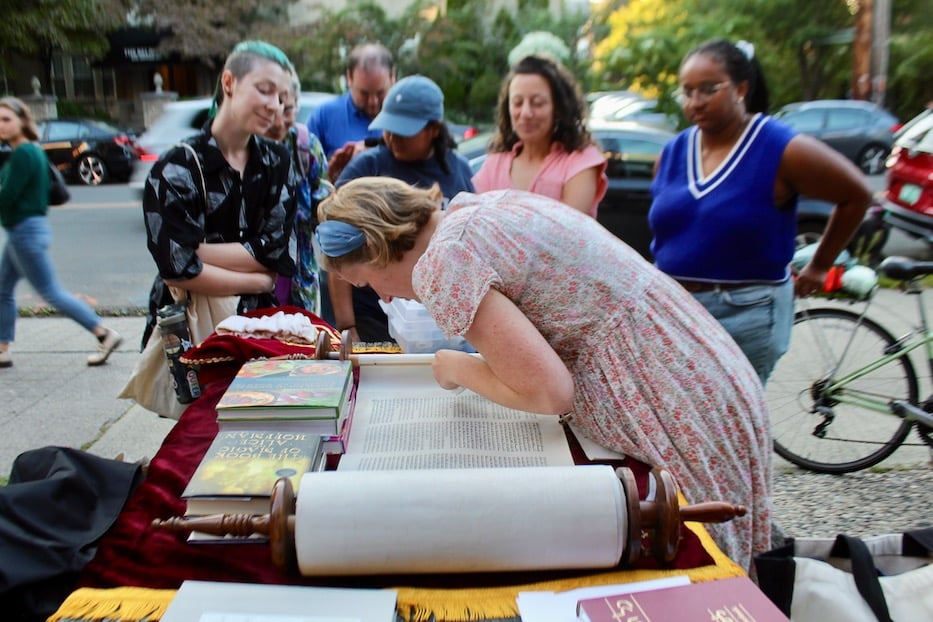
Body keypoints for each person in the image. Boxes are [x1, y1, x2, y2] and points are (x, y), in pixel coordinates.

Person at [315, 177, 772, 572]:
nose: (384, 299)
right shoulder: (471, 210)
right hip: (689, 358)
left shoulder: (443, 262)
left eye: (366, 283)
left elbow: (549, 392)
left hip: (669, 389)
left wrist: (461, 368)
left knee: (710, 561)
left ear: (376, 251)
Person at [649, 39, 872, 385]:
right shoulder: (673, 152)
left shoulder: (778, 147)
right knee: (677, 425)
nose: (695, 102)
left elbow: (856, 195)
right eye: (687, 91)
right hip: (676, 312)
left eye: (708, 89)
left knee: (728, 427)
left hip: (745, 312)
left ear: (741, 88)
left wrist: (820, 265)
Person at [140, 40, 296, 347]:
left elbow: (278, 253)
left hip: (259, 330)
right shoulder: (176, 166)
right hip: (190, 334)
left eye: (281, 97)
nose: (274, 105)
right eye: (264, 90)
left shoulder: (278, 160)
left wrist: (196, 252)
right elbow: (175, 270)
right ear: (229, 82)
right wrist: (258, 280)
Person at [332, 75, 474, 343]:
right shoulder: (366, 169)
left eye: (403, 131)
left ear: (434, 129)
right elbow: (337, 252)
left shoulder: (459, 171)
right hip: (371, 314)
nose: (392, 137)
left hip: (436, 323)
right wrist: (347, 325)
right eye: (389, 128)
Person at [0, 96, 122, 368]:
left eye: (7, 119)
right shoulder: (31, 150)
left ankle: (103, 332)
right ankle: (3, 348)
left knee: (51, 292)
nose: (2, 125)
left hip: (24, 232)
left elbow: (7, 197)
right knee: (3, 289)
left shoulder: (23, 153)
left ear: (21, 121)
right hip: (25, 231)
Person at [472, 55, 607, 216]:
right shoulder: (493, 165)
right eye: (517, 102)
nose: (526, 113)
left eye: (537, 103)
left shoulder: (581, 163)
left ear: (557, 108)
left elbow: (569, 231)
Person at [265, 72, 330, 313]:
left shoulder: (306, 146)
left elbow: (323, 213)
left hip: (300, 283)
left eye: (288, 109)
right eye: (272, 110)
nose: (279, 120)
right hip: (255, 285)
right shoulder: (242, 151)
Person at [307, 42, 396, 182]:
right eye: (364, 94)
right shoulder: (325, 116)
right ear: (349, 78)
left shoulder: (407, 118)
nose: (373, 102)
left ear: (393, 77)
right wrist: (333, 171)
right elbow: (306, 178)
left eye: (380, 93)